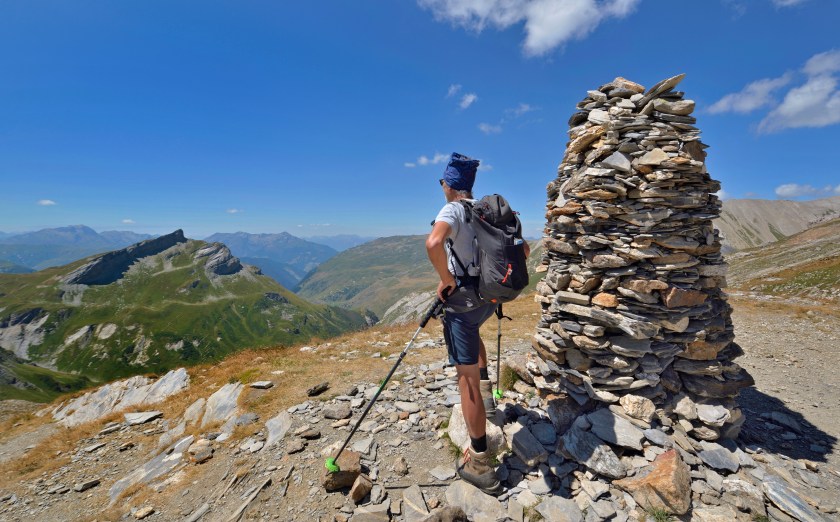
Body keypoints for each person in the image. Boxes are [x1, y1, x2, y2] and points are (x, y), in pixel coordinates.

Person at [425, 152, 529, 495]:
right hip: (489, 297)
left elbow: (434, 242)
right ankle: (487, 401)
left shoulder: (453, 209)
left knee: (464, 380)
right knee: (474, 333)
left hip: (463, 302)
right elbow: (524, 251)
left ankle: (481, 463)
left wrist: (445, 280)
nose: (441, 188)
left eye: (441, 183)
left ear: (449, 185)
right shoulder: (486, 212)